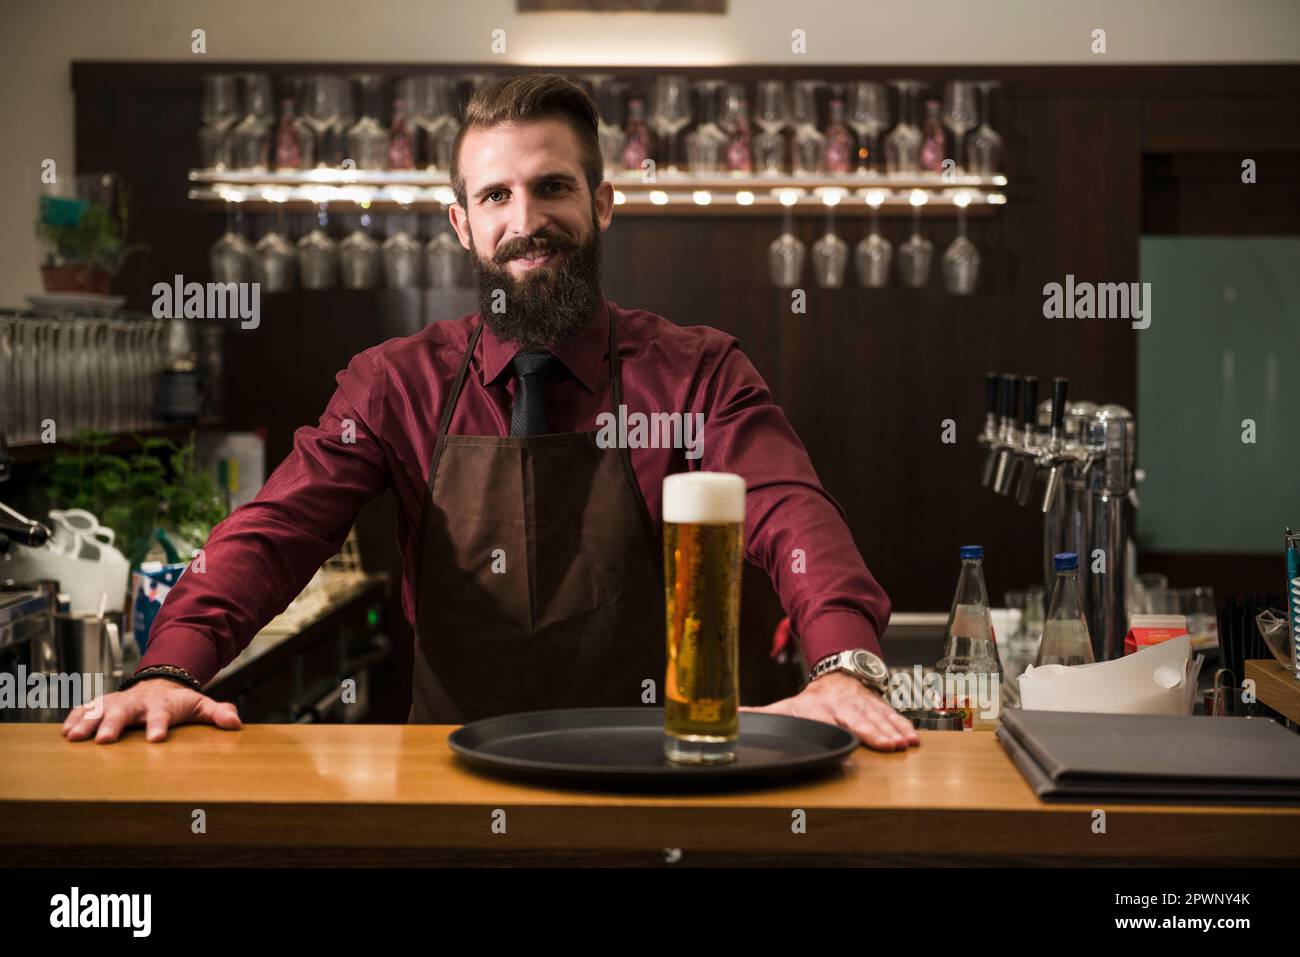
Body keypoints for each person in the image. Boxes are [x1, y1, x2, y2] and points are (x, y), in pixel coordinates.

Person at [63, 74, 919, 752]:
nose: (527, 220)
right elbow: (277, 528)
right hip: (451, 782)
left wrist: (844, 663)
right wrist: (172, 664)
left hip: (660, 777)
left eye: (552, 187)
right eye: (496, 196)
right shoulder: (392, 384)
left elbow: (791, 509)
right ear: (462, 225)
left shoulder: (696, 372)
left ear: (603, 202)